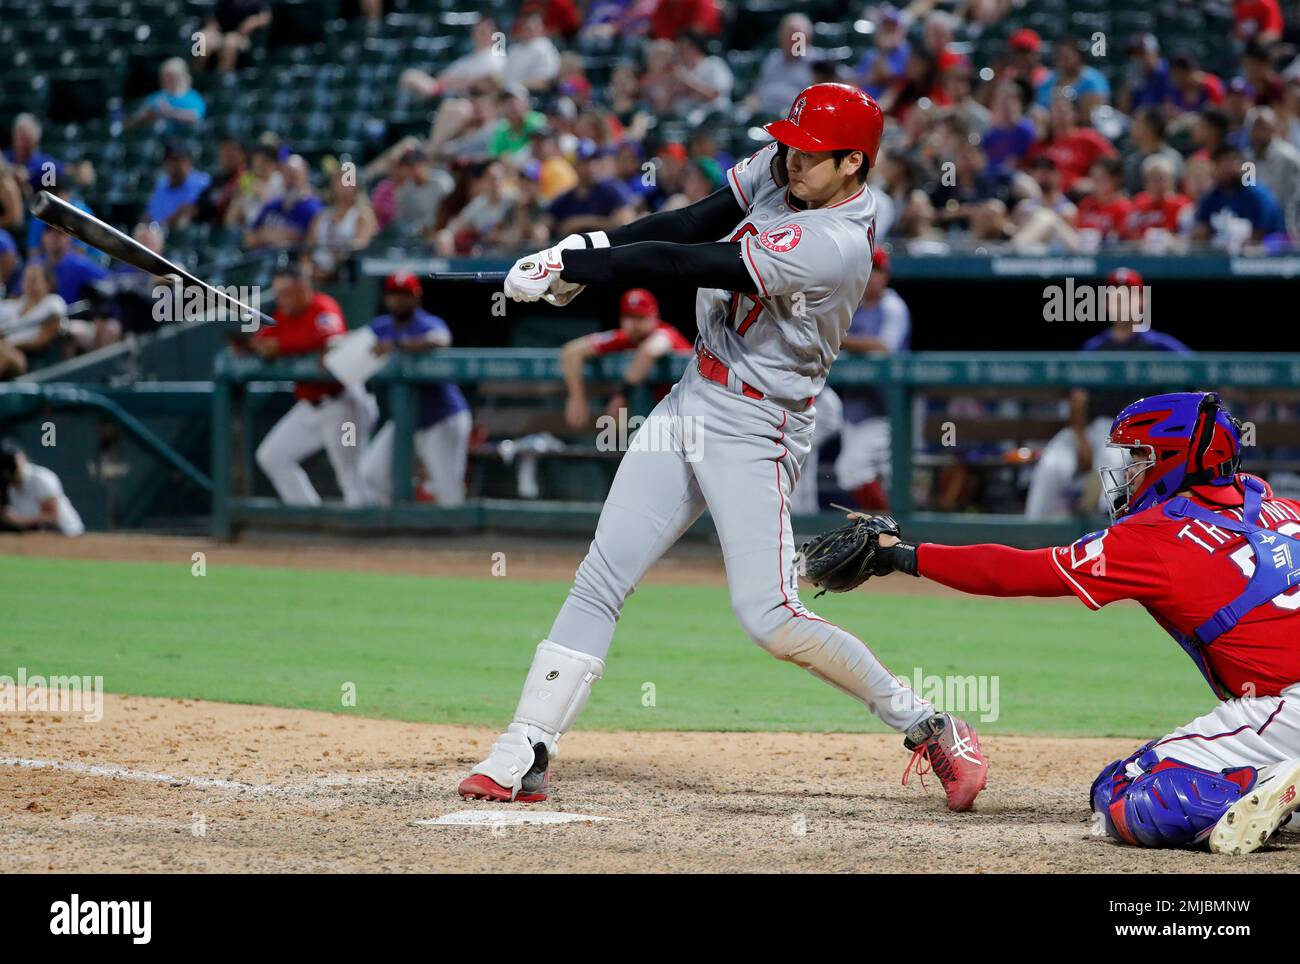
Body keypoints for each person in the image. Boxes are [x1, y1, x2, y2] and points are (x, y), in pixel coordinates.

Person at [460, 83, 988, 812]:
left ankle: (929, 724)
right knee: (602, 573)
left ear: (853, 164)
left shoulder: (832, 246)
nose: (790, 161)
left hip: (757, 426)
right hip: (692, 395)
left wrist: (576, 269)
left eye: (809, 155)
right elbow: (694, 217)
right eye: (790, 146)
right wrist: (580, 249)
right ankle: (526, 745)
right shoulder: (795, 169)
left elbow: (688, 263)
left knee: (769, 618)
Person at [841, 392, 1300, 855]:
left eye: (1141, 455)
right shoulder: (1281, 507)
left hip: (1289, 710)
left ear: (1174, 462)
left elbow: (1014, 572)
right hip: (1281, 707)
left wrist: (903, 555)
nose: (1129, 470)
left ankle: (1259, 784)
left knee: (1123, 792)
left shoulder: (1150, 538)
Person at [1025, 269, 1192, 519]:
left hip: (1132, 434)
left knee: (1112, 463)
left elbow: (1200, 378)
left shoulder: (1160, 346)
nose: (1121, 301)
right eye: (1114, 296)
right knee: (1051, 466)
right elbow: (1078, 397)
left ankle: (1110, 542)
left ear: (1141, 301)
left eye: (1128, 295)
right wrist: (1080, 437)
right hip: (1091, 430)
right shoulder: (1094, 347)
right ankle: (1032, 539)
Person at [246, 264, 367, 506]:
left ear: (303, 288)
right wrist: (255, 346)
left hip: (344, 408)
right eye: (278, 293)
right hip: (309, 407)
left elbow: (329, 342)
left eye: (286, 293)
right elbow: (262, 339)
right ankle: (310, 514)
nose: (281, 299)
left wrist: (282, 346)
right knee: (272, 456)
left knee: (351, 474)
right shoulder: (284, 314)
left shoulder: (323, 308)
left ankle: (368, 538)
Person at [359, 274, 472, 506]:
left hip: (442, 418)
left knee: (447, 490)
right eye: (393, 295)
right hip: (406, 419)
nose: (398, 301)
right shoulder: (381, 326)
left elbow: (441, 339)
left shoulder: (426, 322)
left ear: (416, 297)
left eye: (404, 295)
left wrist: (398, 345)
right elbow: (351, 345)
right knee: (371, 474)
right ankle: (398, 525)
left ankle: (457, 540)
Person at [833, 248, 909, 511]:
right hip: (855, 410)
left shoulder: (892, 306)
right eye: (866, 269)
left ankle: (888, 531)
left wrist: (839, 341)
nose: (869, 276)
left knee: (853, 470)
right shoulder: (852, 307)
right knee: (855, 473)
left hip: (889, 412)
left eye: (876, 270)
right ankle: (885, 534)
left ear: (885, 275)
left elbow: (884, 346)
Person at [560, 287, 691, 429]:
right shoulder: (624, 338)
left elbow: (650, 350)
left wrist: (622, 395)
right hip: (664, 412)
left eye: (641, 317)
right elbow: (572, 350)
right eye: (630, 316)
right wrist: (577, 397)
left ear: (654, 316)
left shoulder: (665, 332)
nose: (634, 324)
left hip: (691, 407)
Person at [0, 438, 84, 535]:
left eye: (10, 461)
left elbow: (52, 517)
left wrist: (19, 520)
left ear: (22, 457)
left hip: (66, 534)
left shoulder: (41, 478)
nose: (8, 467)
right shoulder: (6, 485)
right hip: (34, 535)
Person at [244, 155, 322, 250]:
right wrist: (275, 236)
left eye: (294, 175)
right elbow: (249, 238)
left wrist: (266, 235)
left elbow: (307, 242)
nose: (290, 180)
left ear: (305, 176)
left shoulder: (313, 209)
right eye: (286, 175)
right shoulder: (272, 205)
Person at [126, 57, 207, 134]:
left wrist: (169, 111)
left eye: (172, 78)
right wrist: (147, 117)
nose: (168, 81)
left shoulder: (193, 97)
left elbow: (195, 116)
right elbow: (135, 121)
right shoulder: (157, 97)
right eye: (165, 78)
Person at [145, 143, 211, 227]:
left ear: (188, 162)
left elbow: (191, 210)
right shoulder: (161, 184)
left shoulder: (202, 182)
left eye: (177, 160)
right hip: (158, 233)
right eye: (169, 160)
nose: (173, 165)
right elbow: (149, 215)